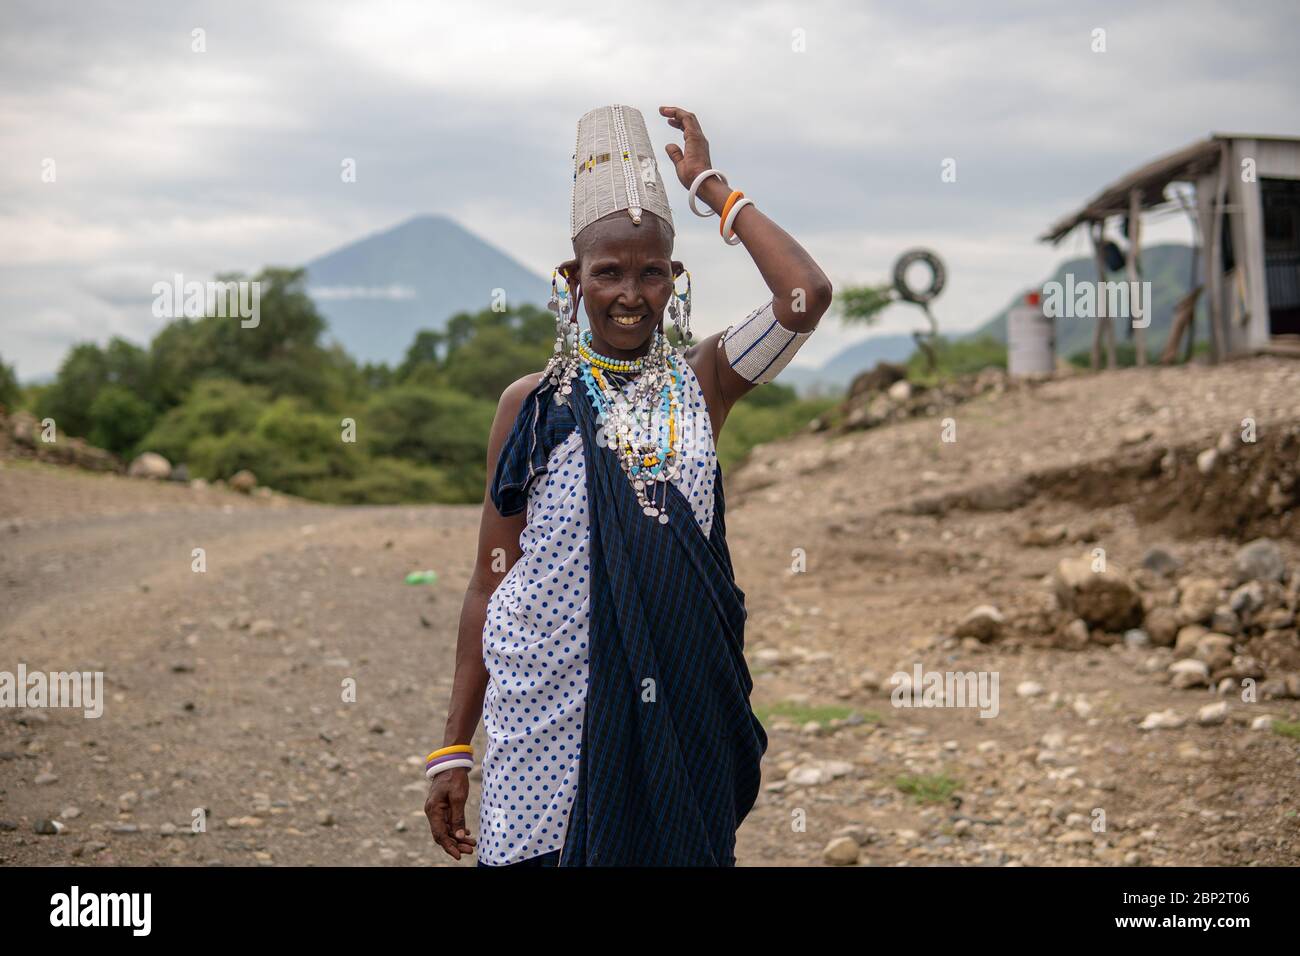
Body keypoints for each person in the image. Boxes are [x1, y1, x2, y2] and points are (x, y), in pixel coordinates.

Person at [425, 104, 832, 866]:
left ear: (675, 281)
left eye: (651, 272)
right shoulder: (530, 405)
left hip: (673, 708)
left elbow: (805, 294)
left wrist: (712, 190)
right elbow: (492, 581)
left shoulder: (705, 380)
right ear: (572, 281)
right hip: (543, 718)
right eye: (608, 271)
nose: (630, 293)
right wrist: (453, 744)